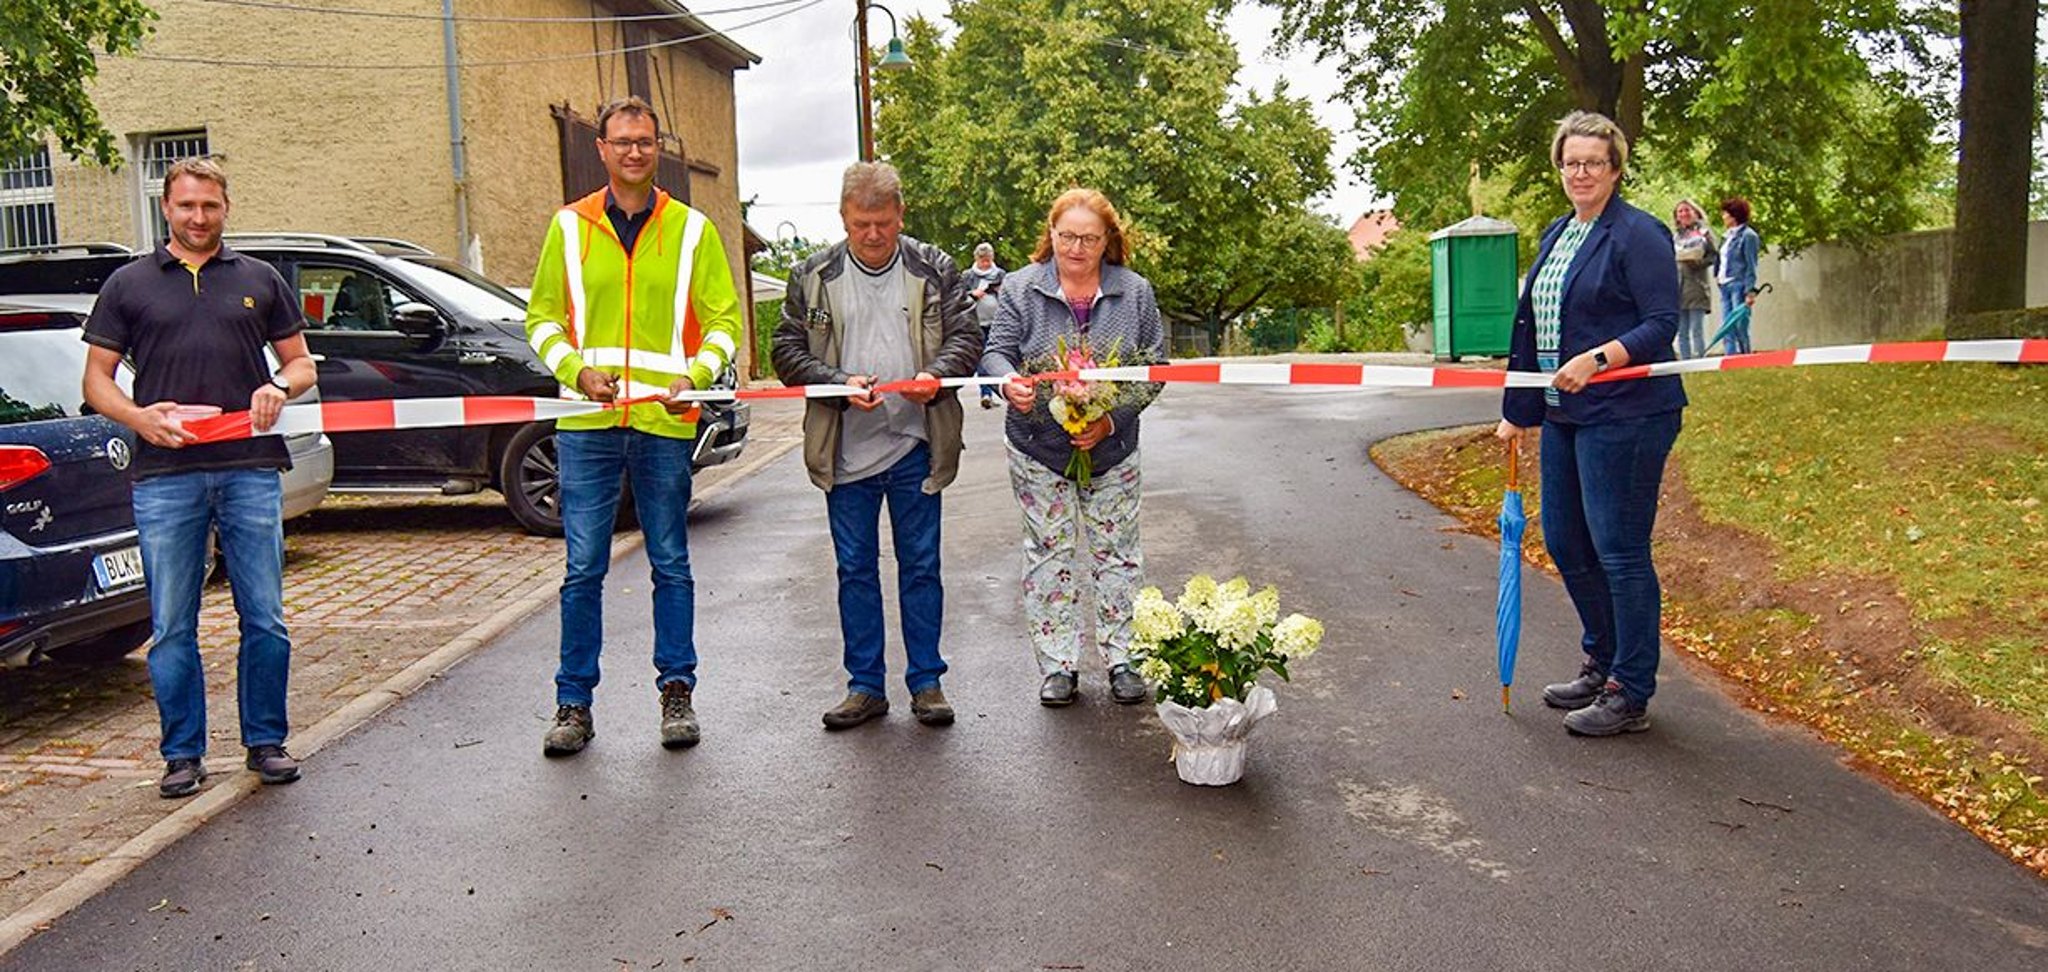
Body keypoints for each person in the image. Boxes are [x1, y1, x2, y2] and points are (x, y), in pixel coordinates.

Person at [81, 157, 318, 798]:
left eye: (210, 206)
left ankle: (266, 742)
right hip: (165, 476)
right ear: (166, 208)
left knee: (265, 616)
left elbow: (302, 367)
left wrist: (276, 387)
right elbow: (95, 381)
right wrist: (139, 417)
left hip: (249, 469)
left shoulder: (260, 279)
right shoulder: (129, 284)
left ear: (226, 207)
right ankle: (182, 755)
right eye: (186, 206)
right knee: (172, 622)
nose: (198, 217)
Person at [524, 95, 745, 756]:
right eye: (622, 141)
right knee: (582, 566)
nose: (634, 152)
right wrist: (577, 371)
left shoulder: (692, 231)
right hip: (587, 423)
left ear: (659, 149)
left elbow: (725, 322)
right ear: (602, 148)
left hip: (664, 422)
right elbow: (541, 320)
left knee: (671, 562)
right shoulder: (567, 228)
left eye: (645, 142)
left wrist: (696, 378)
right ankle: (573, 704)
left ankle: (677, 692)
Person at [771, 162, 982, 730]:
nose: (872, 235)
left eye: (883, 224)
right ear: (843, 217)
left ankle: (927, 682)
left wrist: (935, 374)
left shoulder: (935, 268)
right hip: (845, 451)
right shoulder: (811, 277)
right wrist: (836, 385)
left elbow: (967, 338)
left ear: (900, 216)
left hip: (917, 442)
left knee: (921, 567)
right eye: (861, 223)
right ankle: (865, 685)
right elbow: (787, 350)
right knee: (854, 570)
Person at [1495, 111, 1686, 737]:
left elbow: (1662, 323)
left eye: (1593, 163)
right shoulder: (1558, 233)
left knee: (1620, 550)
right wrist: (1515, 411)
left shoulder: (1638, 234)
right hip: (1565, 413)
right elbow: (1532, 326)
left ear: (1615, 169)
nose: (1581, 172)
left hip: (1629, 414)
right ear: (1560, 167)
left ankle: (1630, 690)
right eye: (1571, 162)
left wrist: (1601, 357)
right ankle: (1601, 659)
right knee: (1567, 544)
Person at [983, 189, 1166, 707]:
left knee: (1117, 554)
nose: (1077, 247)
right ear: (1051, 234)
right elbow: (996, 353)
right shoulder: (1019, 288)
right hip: (1037, 446)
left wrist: (1110, 421)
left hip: (1113, 449)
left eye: (1089, 237)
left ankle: (1123, 658)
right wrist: (1008, 384)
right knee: (1048, 554)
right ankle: (1058, 665)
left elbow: (1154, 369)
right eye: (1067, 236)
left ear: (1108, 241)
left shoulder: (1135, 293)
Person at [1671, 199, 1718, 359]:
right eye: (1680, 211)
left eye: (1687, 210)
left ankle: (1700, 361)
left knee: (1696, 329)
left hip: (1697, 286)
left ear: (1695, 213)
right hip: (1678, 288)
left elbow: (1713, 256)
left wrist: (1698, 262)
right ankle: (1685, 363)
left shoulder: (1704, 233)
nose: (1684, 214)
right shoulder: (1675, 236)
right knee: (1681, 331)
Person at [963, 242, 1007, 408]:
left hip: (997, 323)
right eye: (982, 260)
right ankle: (986, 393)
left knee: (993, 356)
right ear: (976, 259)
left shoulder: (1000, 274)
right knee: (982, 358)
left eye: (988, 260)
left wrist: (999, 291)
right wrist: (972, 294)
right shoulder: (968, 276)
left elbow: (1009, 295)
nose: (985, 264)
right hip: (976, 323)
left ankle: (992, 392)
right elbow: (958, 298)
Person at [1717, 196, 1760, 356]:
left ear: (1734, 215)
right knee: (1727, 325)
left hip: (1739, 284)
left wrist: (1750, 291)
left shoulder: (1748, 236)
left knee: (1740, 324)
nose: (1723, 217)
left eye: (1725, 213)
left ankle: (1744, 355)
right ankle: (1730, 358)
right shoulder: (1726, 236)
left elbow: (1751, 264)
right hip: (1725, 285)